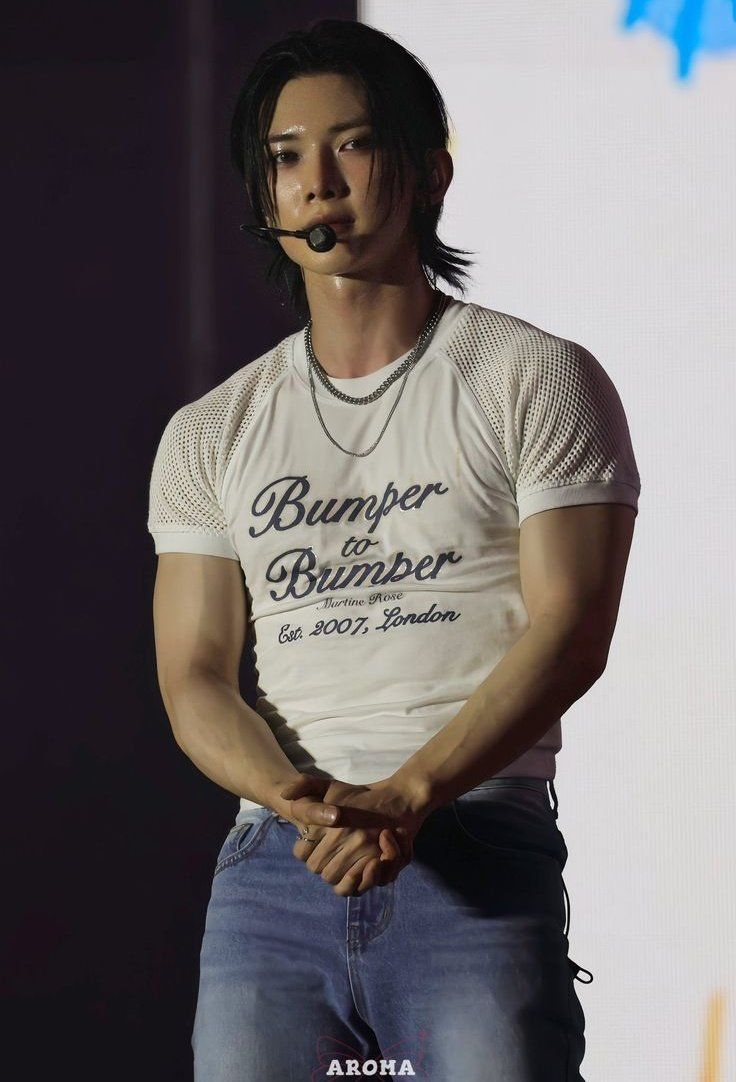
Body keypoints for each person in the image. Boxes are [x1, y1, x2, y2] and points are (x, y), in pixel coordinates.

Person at [146, 18, 640, 1081]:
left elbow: (573, 629)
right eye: (286, 157)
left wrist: (410, 793)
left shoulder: (531, 375)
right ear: (263, 191)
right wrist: (303, 802)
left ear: (429, 172)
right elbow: (193, 676)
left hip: (472, 838)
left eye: (353, 145)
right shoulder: (210, 430)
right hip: (278, 863)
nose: (318, 182)